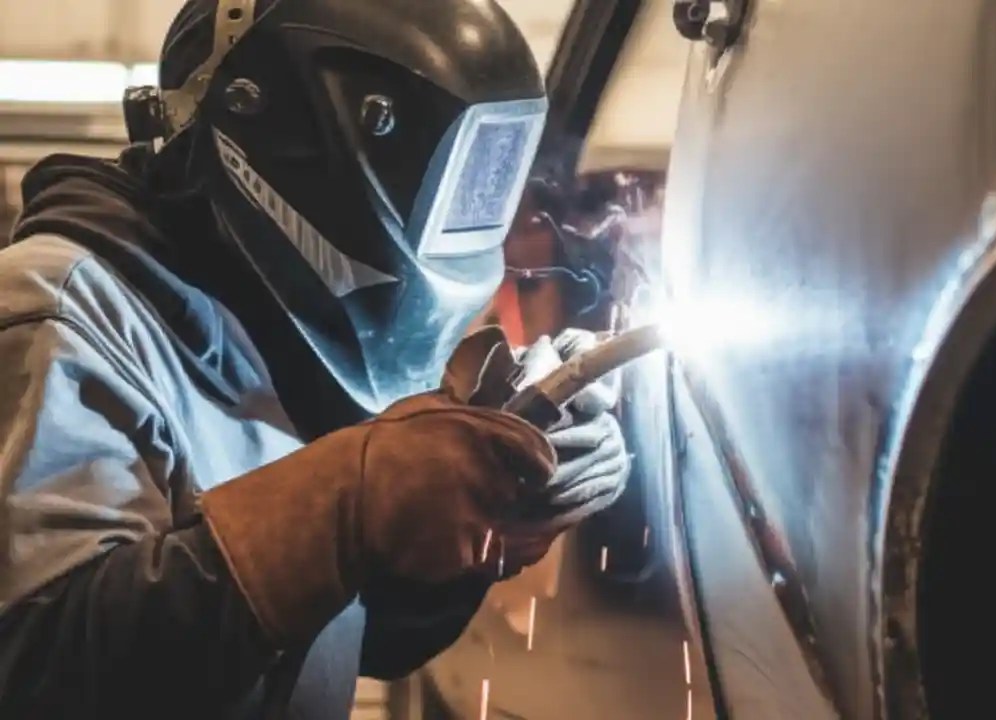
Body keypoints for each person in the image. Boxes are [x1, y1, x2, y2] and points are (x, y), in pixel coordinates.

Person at [0, 1, 630, 717]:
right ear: (287, 128)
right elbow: (34, 668)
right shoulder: (64, 313)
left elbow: (357, 637)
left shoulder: (274, 338)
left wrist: (477, 506)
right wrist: (343, 504)